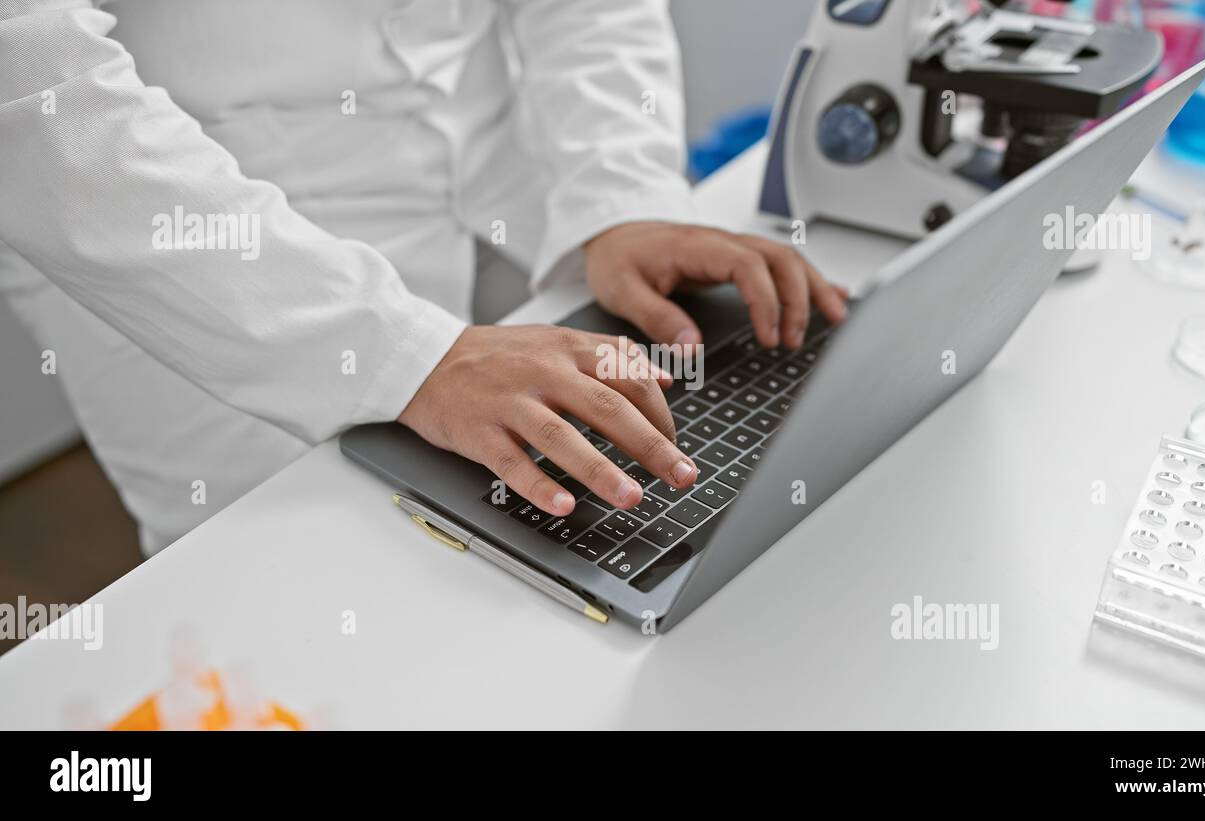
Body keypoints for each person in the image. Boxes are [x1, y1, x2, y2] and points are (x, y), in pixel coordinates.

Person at [0, 0, 847, 554]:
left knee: (591, 537)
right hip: (195, 219)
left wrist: (622, 196)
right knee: (292, 575)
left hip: (495, 143)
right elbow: (36, 87)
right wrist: (408, 357)